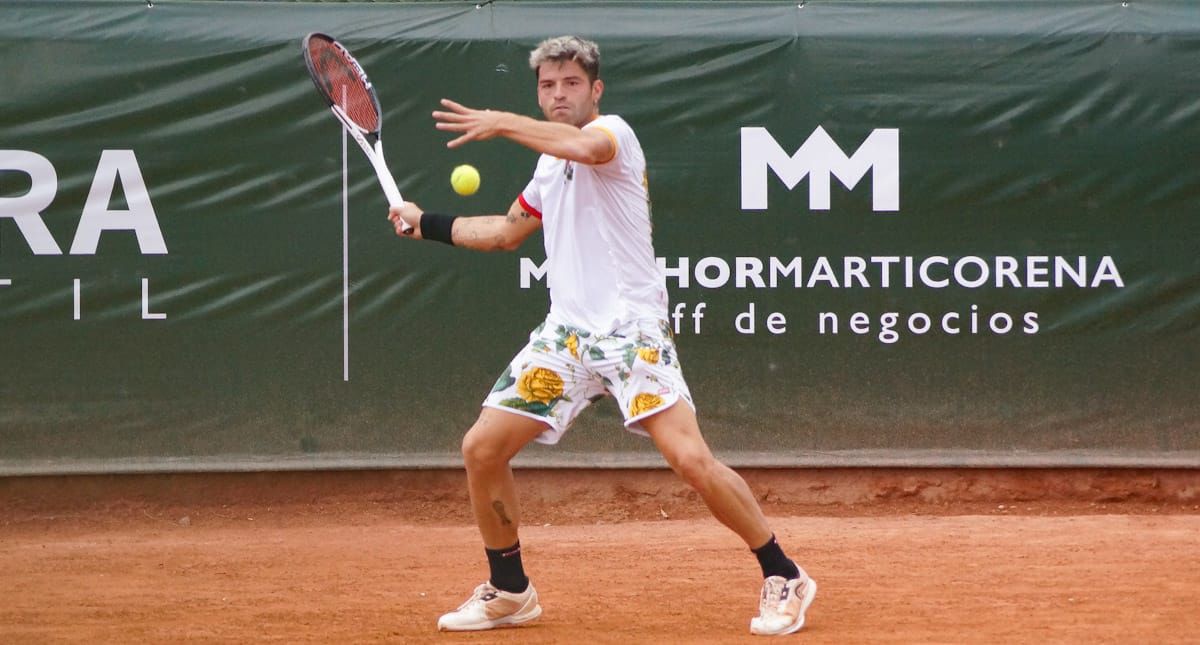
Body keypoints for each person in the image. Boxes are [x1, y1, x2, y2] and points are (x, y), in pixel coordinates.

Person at [387, 35, 816, 637]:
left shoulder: (612, 135)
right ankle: (511, 590)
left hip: (630, 331)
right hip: (565, 337)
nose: (557, 94)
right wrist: (425, 222)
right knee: (482, 448)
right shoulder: (547, 162)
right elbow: (506, 233)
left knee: (691, 461)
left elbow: (585, 145)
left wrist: (502, 123)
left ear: (595, 89)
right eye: (546, 85)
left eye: (569, 83)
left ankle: (784, 572)